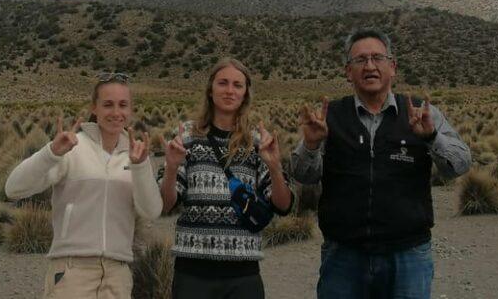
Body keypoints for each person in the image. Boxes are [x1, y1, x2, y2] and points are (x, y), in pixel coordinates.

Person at [291, 27, 471, 299]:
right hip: (344, 255)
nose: (370, 66)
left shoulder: (422, 113)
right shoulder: (330, 117)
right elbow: (303, 176)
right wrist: (312, 145)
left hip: (408, 254)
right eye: (360, 60)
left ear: (393, 67)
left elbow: (460, 165)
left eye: (377, 58)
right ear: (348, 71)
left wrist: (432, 137)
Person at [5, 72, 162, 299]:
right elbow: (14, 188)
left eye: (123, 105)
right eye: (108, 104)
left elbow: (152, 210)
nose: (116, 113)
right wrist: (50, 154)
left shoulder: (136, 155)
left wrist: (139, 167)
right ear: (94, 108)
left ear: (130, 110)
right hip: (71, 271)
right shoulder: (72, 149)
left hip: (118, 274)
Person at [159, 57, 294, 299]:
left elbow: (283, 205)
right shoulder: (186, 136)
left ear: (245, 94)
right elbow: (166, 204)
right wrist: (170, 168)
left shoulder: (256, 142)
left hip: (243, 274)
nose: (229, 90)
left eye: (237, 85)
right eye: (223, 83)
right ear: (210, 90)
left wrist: (274, 166)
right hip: (192, 272)